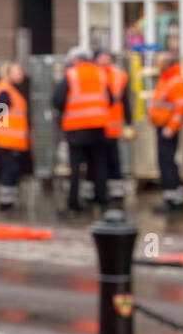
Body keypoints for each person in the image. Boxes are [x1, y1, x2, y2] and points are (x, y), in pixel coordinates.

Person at [56, 47, 113, 216]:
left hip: (77, 127)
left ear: (74, 60)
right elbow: (109, 99)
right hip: (98, 126)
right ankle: (100, 200)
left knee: (75, 167)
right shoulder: (101, 74)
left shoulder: (71, 75)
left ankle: (74, 203)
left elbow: (58, 100)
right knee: (99, 165)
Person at [149, 51, 183, 213]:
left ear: (166, 64)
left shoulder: (175, 80)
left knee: (167, 162)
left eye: (158, 62)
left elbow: (182, 107)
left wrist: (171, 128)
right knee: (165, 162)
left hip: (168, 128)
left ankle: (173, 200)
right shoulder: (167, 79)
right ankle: (172, 198)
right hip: (163, 126)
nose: (157, 65)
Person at [0, 61, 30, 211]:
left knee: (10, 172)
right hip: (7, 141)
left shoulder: (9, 90)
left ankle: (8, 202)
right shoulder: (5, 91)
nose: (21, 74)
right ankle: (5, 204)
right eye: (17, 71)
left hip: (9, 140)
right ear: (8, 73)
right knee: (9, 172)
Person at [96, 48, 133, 207]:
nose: (105, 60)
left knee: (114, 160)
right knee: (99, 160)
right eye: (102, 57)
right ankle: (101, 190)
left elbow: (125, 100)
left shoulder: (118, 76)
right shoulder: (94, 75)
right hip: (96, 125)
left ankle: (116, 191)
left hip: (112, 125)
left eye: (107, 57)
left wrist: (128, 122)